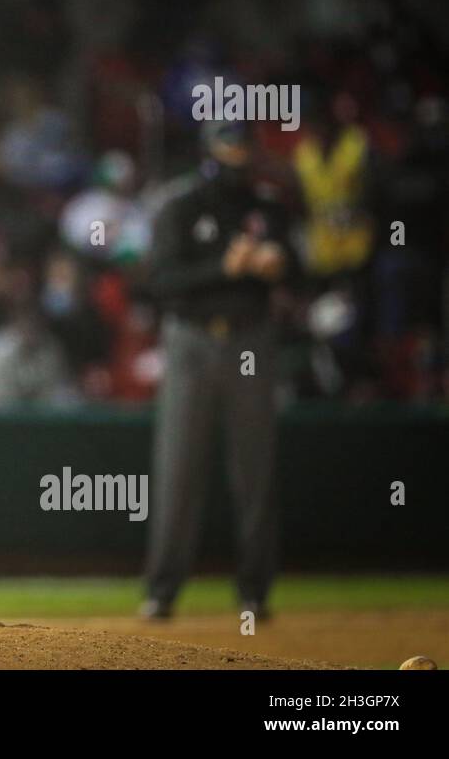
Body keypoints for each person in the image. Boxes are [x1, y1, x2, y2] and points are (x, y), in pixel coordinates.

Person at [140, 116, 295, 620]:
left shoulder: (267, 207)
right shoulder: (182, 205)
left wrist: (279, 262)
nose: (237, 156)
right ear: (210, 150)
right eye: (229, 147)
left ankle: (255, 594)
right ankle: (162, 592)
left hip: (251, 339)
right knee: (178, 469)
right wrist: (224, 269)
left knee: (256, 471)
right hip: (191, 340)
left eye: (243, 147)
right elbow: (160, 282)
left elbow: (302, 265)